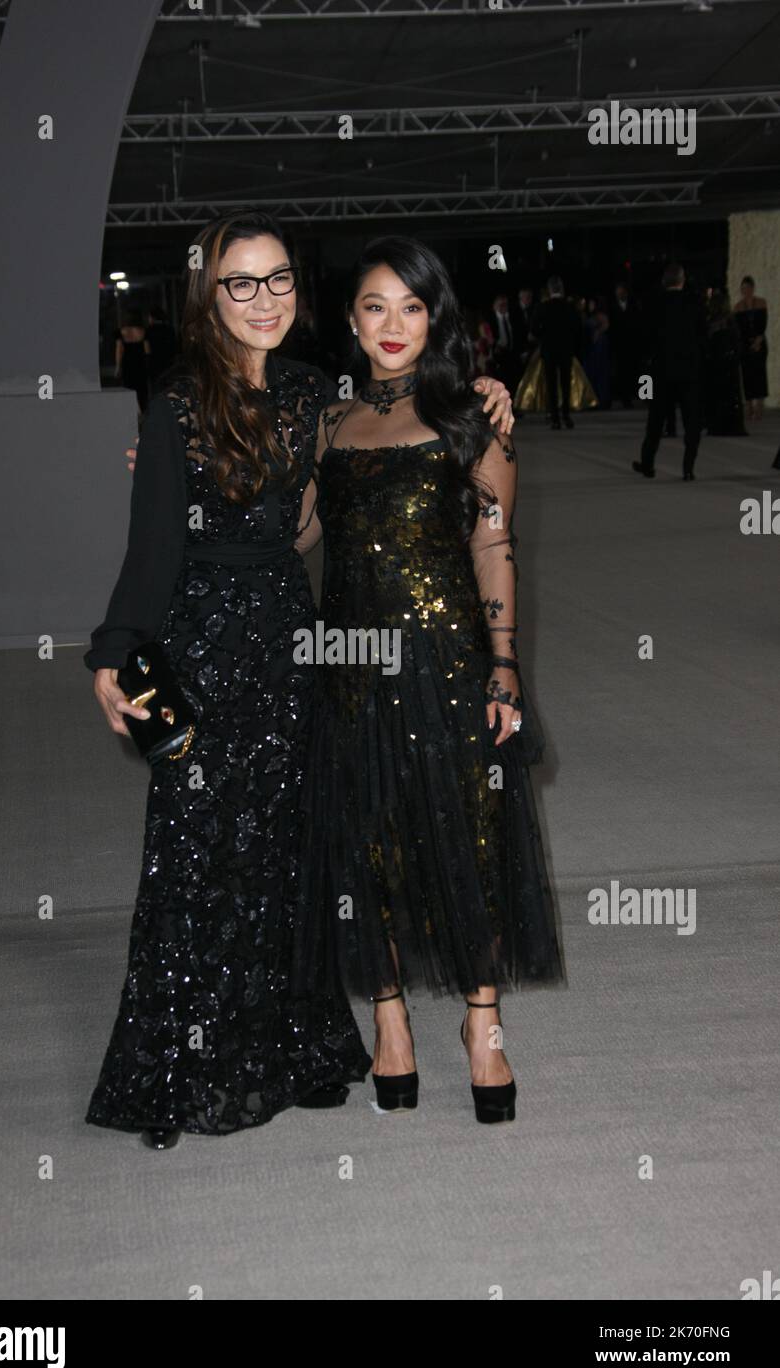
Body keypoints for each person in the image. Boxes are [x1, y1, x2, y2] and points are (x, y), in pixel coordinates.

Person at [94, 213, 515, 1148]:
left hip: (295, 641)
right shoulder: (175, 402)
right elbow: (152, 548)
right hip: (204, 641)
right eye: (241, 283)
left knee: (291, 849)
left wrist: (479, 389)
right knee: (198, 848)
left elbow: (327, 510)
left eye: (278, 278)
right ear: (209, 294)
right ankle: (189, 1065)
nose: (264, 299)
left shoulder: (314, 393)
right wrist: (115, 649)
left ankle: (294, 1048)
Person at [292, 237, 566, 1125]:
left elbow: (493, 543)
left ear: (435, 318)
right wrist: (187, 477)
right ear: (351, 319)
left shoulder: (474, 417)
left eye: (412, 307)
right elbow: (290, 536)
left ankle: (483, 1025)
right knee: (366, 838)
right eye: (375, 305)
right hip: (349, 664)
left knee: (470, 834)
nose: (393, 324)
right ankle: (390, 1018)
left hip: (447, 661)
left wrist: (504, 666)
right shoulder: (328, 425)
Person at [633, 263, 705, 482]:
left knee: (655, 420)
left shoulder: (654, 304)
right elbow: (702, 335)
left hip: (662, 369)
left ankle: (648, 463)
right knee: (692, 420)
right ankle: (688, 467)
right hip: (688, 370)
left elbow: (645, 338)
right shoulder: (694, 303)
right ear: (682, 280)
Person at [534, 276, 582, 429]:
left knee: (551, 385)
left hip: (549, 351)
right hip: (566, 351)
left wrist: (544, 337)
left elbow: (534, 329)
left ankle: (555, 418)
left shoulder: (543, 307)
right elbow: (578, 328)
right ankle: (566, 415)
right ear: (562, 289)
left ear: (549, 290)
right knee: (565, 384)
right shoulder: (569, 307)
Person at [704, 291, 746, 437]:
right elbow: (737, 341)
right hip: (730, 363)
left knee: (717, 395)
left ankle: (717, 425)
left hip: (716, 364)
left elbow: (707, 343)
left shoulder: (710, 322)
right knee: (731, 395)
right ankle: (733, 425)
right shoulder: (730, 320)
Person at [734, 276, 768, 422]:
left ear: (753, 288)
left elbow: (763, 325)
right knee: (747, 376)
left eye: (747, 288)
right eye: (743, 289)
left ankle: (759, 407)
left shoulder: (761, 302)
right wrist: (746, 344)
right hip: (745, 345)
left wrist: (758, 341)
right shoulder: (738, 307)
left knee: (760, 375)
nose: (745, 291)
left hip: (760, 343)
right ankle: (749, 407)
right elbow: (738, 330)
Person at [609, 281, 641, 407]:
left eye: (621, 291)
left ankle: (631, 395)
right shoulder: (612, 306)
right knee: (621, 372)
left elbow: (636, 322)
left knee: (631, 370)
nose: (620, 293)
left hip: (631, 343)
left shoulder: (633, 305)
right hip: (618, 344)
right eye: (618, 291)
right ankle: (624, 397)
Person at [114, 308, 151, 415]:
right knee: (141, 388)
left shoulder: (122, 332)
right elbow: (147, 350)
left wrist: (118, 366)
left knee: (129, 387)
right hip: (140, 363)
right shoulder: (143, 332)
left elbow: (119, 350)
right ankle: (143, 411)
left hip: (128, 363)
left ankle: (132, 411)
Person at [487, 291, 519, 395]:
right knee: (501, 384)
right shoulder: (490, 320)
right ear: (494, 306)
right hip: (498, 357)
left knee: (513, 383)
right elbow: (487, 339)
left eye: (505, 304)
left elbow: (519, 335)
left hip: (513, 355)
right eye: (500, 305)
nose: (503, 307)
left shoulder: (514, 317)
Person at [583, 298, 612, 408]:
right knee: (592, 374)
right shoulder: (587, 316)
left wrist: (598, 332)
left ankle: (602, 400)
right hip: (591, 349)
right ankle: (594, 400)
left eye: (592, 303)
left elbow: (606, 325)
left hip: (599, 347)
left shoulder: (600, 316)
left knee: (601, 373)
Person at [144, 305, 178, 391]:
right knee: (168, 387)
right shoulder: (170, 329)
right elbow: (174, 347)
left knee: (155, 388)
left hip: (154, 363)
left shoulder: (149, 330)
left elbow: (147, 351)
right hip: (168, 363)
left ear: (152, 317)